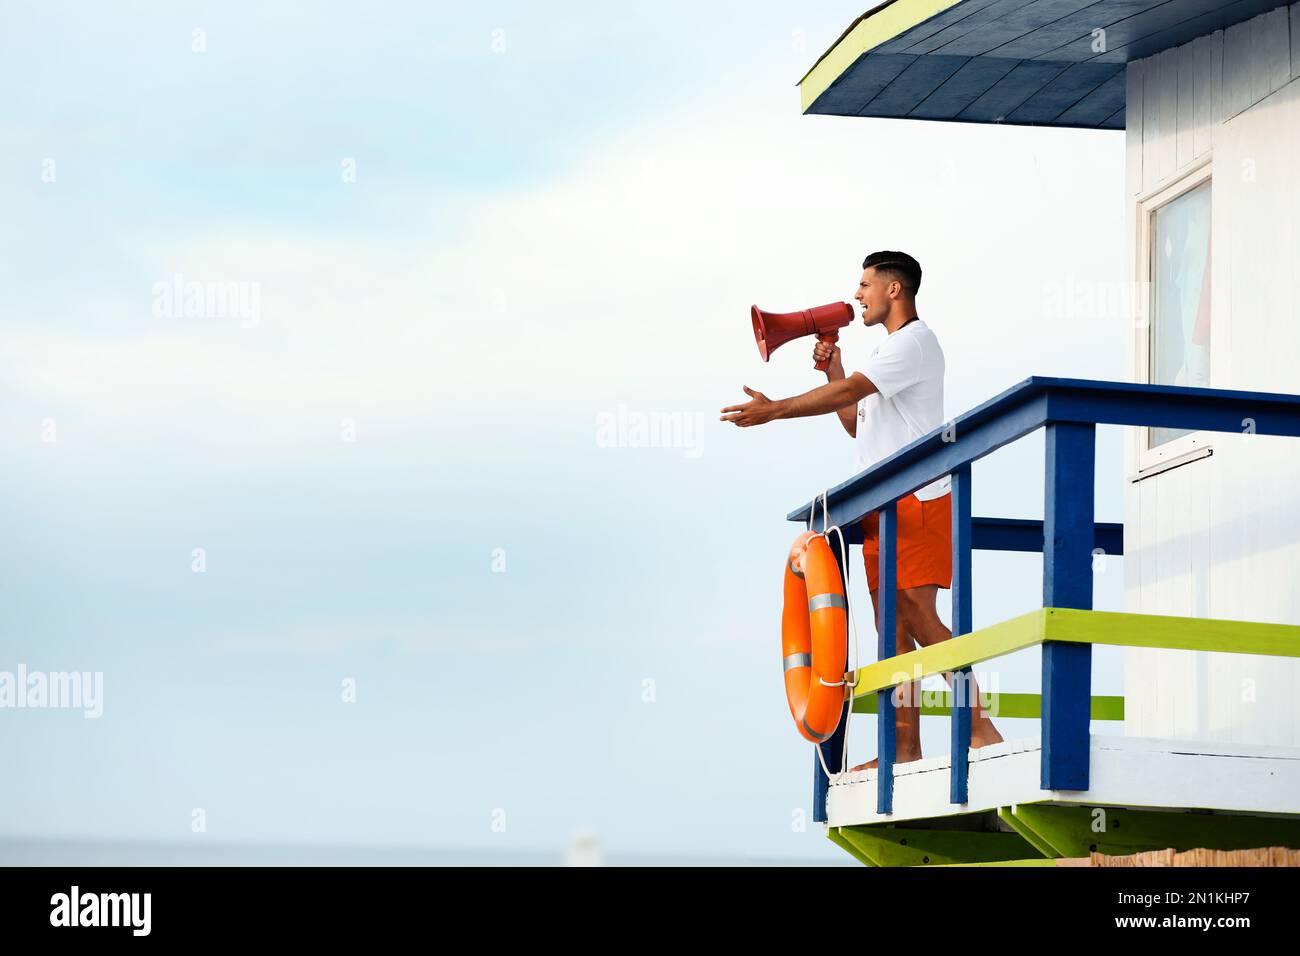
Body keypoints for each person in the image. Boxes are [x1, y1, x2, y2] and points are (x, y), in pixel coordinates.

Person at [720, 251, 1002, 771]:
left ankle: (982, 727)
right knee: (892, 631)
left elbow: (847, 395)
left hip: (916, 500)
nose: (857, 295)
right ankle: (904, 749)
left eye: (865, 284)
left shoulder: (915, 342)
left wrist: (774, 409)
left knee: (918, 615)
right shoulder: (889, 353)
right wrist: (834, 367)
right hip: (883, 508)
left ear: (894, 289)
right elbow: (856, 420)